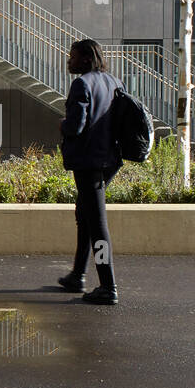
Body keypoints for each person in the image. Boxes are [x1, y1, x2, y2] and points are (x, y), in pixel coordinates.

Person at [59, 38, 122, 305]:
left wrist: (62, 124)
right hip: (109, 161)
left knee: (96, 223)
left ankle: (108, 286)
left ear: (85, 59)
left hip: (88, 162)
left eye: (72, 56)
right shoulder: (114, 83)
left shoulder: (82, 84)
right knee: (84, 214)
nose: (68, 60)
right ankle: (78, 275)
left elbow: (76, 126)